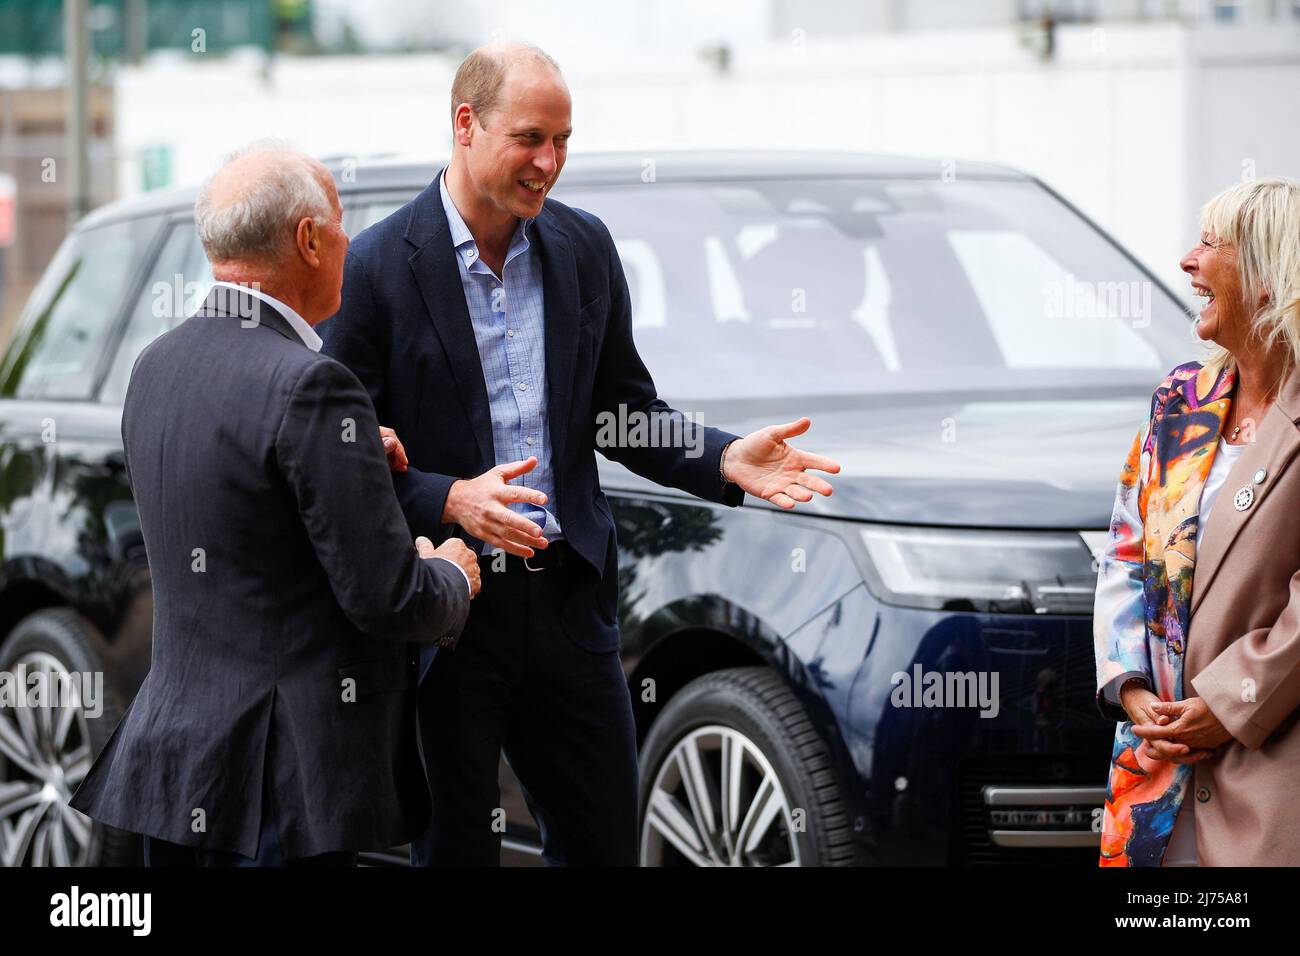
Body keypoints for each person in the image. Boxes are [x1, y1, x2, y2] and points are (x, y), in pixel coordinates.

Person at [321, 42, 841, 866]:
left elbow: (621, 412)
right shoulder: (379, 267)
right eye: (530, 138)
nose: (550, 162)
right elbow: (338, 459)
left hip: (569, 603)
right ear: (466, 123)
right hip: (447, 604)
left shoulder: (582, 248)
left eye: (564, 140)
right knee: (455, 850)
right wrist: (452, 500)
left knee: (602, 844)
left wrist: (720, 459)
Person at [69, 142, 481, 866]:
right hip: (281, 790)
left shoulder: (156, 366)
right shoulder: (314, 386)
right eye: (343, 224)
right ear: (308, 240)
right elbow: (386, 599)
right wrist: (449, 573)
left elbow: (241, 519)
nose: (351, 243)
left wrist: (347, 461)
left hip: (176, 772)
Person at [1094, 177, 1300, 866]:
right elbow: (1126, 550)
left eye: (1211, 245)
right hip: (1158, 772)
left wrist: (1230, 702)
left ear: (1271, 274)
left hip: (1273, 772)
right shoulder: (1182, 397)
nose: (1187, 261)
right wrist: (1132, 689)